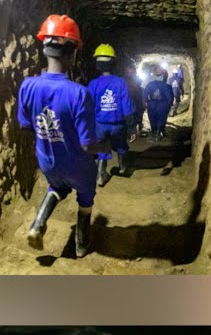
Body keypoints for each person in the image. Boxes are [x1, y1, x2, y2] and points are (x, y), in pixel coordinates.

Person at [18, 14, 108, 258]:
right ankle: (81, 245)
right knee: (85, 197)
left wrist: (48, 134)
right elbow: (87, 143)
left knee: (56, 186)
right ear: (73, 54)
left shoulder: (27, 86)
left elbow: (26, 125)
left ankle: (38, 224)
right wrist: (104, 148)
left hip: (47, 161)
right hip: (77, 164)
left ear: (45, 50)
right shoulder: (78, 93)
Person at [87, 44, 135, 186]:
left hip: (100, 125)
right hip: (118, 125)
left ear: (97, 64)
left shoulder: (93, 84)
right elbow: (127, 106)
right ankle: (123, 168)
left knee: (102, 148)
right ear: (113, 63)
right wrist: (132, 126)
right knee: (121, 146)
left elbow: (88, 106)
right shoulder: (120, 83)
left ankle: (100, 176)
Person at [143, 68, 173, 141]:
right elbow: (169, 97)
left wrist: (145, 104)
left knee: (153, 119)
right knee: (161, 119)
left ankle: (154, 132)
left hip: (152, 104)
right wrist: (169, 105)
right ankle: (159, 132)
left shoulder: (150, 84)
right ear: (162, 75)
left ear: (154, 75)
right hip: (163, 104)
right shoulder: (165, 85)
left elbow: (144, 95)